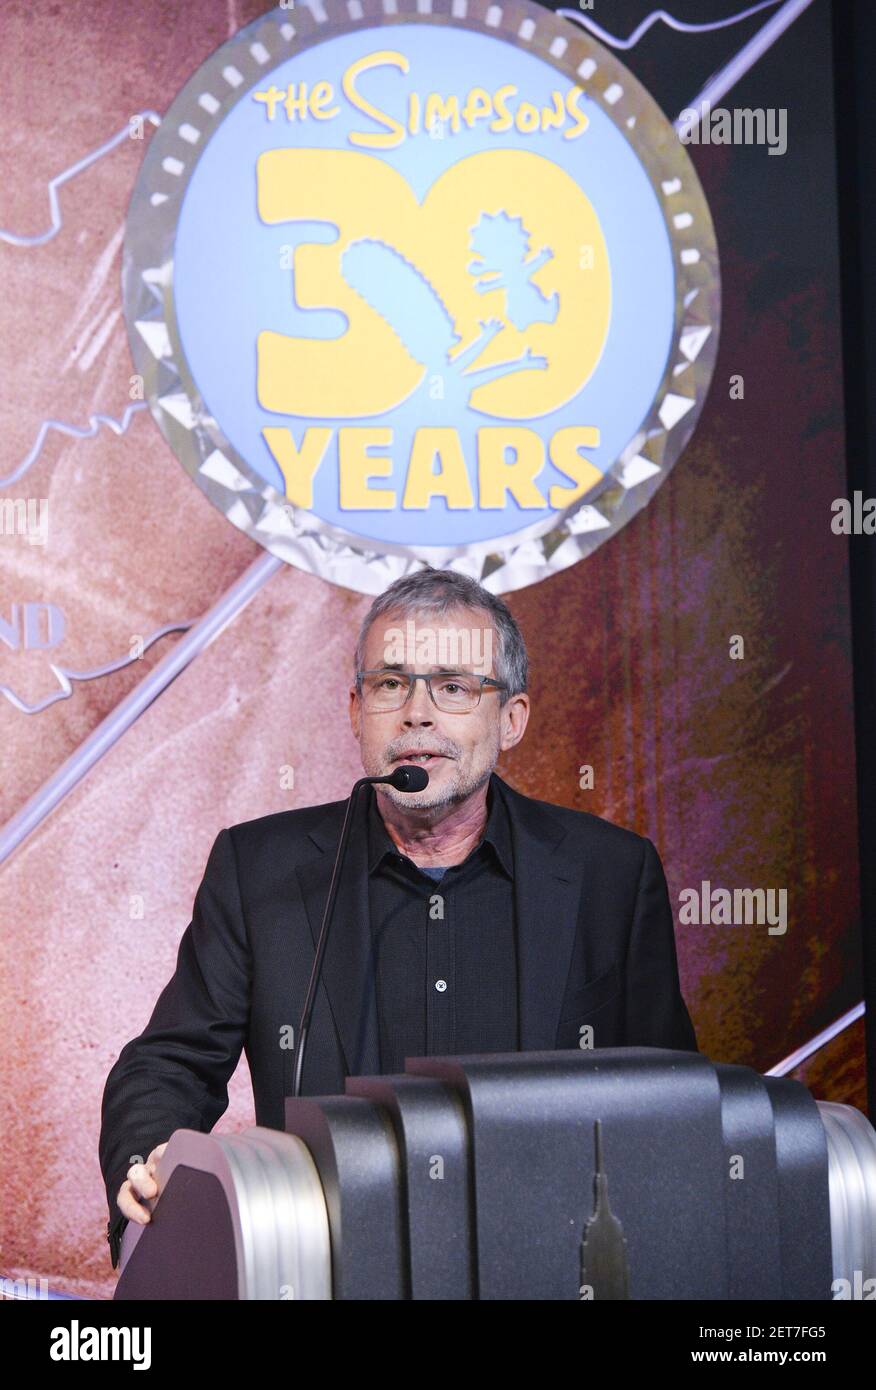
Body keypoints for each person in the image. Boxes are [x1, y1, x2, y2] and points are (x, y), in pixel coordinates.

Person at [99, 567, 697, 1267]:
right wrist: (152, 1154)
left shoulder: (610, 876)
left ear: (511, 718)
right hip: (327, 1267)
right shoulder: (259, 868)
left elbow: (670, 1099)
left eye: (452, 686)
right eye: (390, 685)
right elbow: (170, 1062)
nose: (416, 712)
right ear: (356, 710)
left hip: (548, 1270)